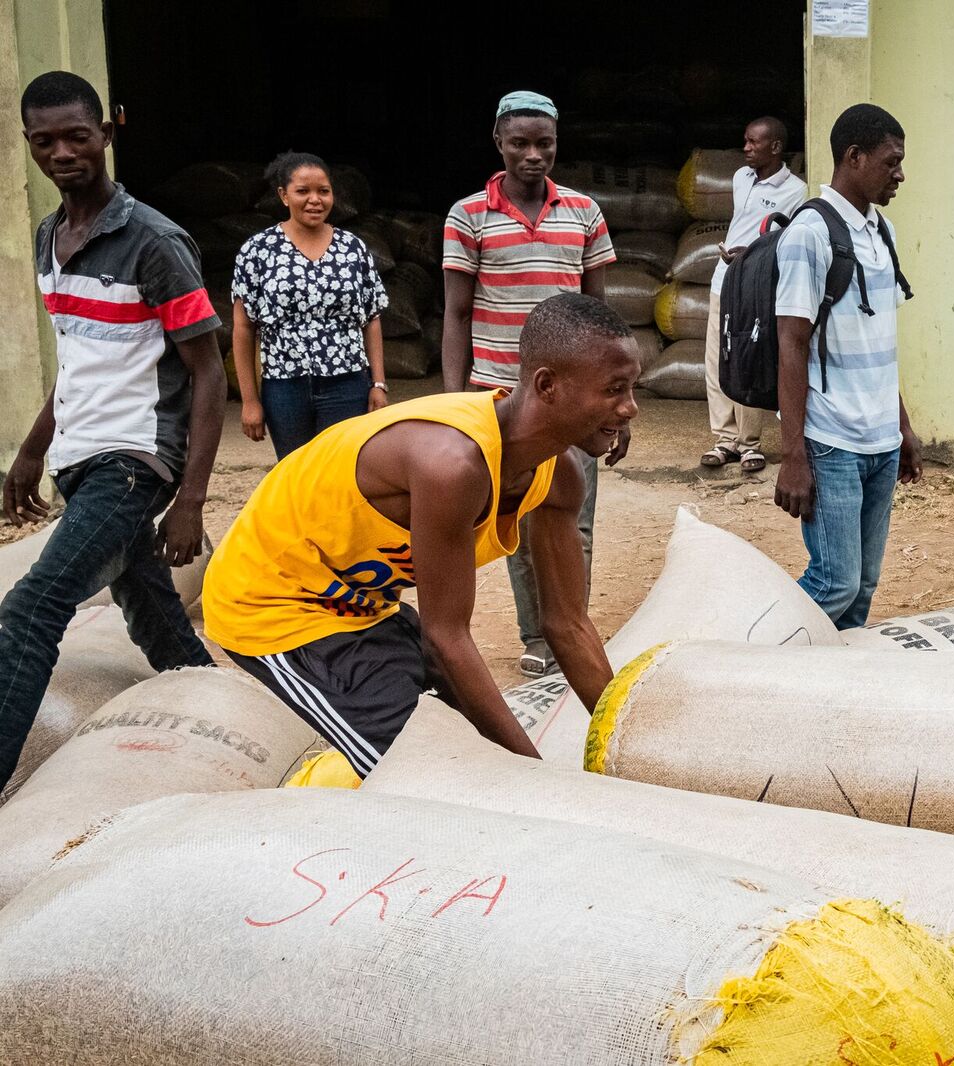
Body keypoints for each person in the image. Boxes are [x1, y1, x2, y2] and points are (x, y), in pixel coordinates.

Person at [202, 294, 638, 777]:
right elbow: (446, 636)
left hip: (364, 605)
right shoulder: (451, 465)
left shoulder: (560, 478)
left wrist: (628, 750)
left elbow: (567, 626)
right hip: (275, 608)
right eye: (614, 390)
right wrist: (536, 781)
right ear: (548, 385)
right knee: (418, 775)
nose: (630, 409)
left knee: (473, 754)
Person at [0, 71, 223, 790]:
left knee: (32, 609)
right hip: (78, 455)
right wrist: (32, 451)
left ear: (107, 131)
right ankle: (227, 712)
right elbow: (80, 358)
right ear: (29, 144)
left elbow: (209, 373)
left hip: (133, 460)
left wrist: (191, 497)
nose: (62, 151)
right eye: (44, 140)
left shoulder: (154, 242)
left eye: (77, 135)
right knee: (154, 615)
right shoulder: (49, 238)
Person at [441, 90, 622, 679]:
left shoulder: (584, 212)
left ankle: (571, 626)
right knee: (514, 518)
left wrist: (609, 405)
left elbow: (599, 312)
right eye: (519, 143)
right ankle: (537, 638)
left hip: (576, 401)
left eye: (544, 143)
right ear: (499, 143)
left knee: (576, 518)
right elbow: (457, 314)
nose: (533, 155)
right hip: (500, 397)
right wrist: (455, 401)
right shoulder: (468, 215)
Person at [772, 103, 922, 628]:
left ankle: (832, 697)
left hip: (880, 440)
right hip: (832, 440)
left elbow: (879, 338)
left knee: (862, 588)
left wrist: (901, 427)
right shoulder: (809, 234)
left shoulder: (883, 232)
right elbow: (790, 344)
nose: (900, 173)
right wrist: (793, 456)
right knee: (835, 581)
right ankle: (754, 661)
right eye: (891, 161)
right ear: (853, 157)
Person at [231, 151, 389, 460]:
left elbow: (371, 318)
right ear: (283, 195)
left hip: (347, 385)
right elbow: (243, 326)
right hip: (284, 388)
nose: (314, 200)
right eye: (303, 191)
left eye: (323, 191)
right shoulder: (258, 250)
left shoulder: (352, 248)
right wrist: (250, 400)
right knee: (295, 474)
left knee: (343, 471)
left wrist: (378, 383)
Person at [701, 116, 807, 473]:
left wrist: (751, 252)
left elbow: (786, 239)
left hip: (756, 286)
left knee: (747, 357)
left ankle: (749, 444)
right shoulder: (739, 178)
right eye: (745, 141)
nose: (745, 148)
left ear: (775, 147)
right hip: (723, 280)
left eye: (753, 142)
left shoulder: (796, 191)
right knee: (717, 360)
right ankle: (724, 440)